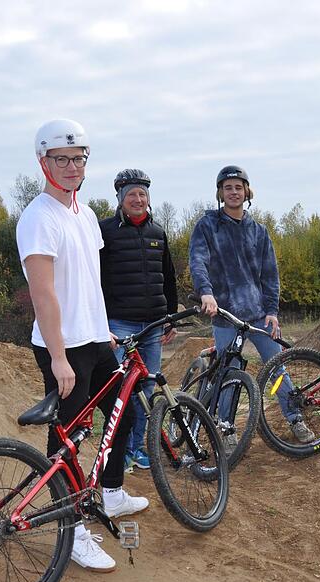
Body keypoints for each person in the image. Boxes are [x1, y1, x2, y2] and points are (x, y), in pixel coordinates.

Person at [16, 119, 149, 573]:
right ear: (43, 162)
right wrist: (57, 357)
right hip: (63, 347)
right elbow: (44, 293)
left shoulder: (86, 214)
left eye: (79, 158)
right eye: (62, 159)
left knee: (125, 411)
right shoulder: (38, 218)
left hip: (95, 338)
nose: (72, 167)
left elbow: (88, 282)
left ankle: (110, 493)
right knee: (69, 438)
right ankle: (69, 529)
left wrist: (103, 327)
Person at [189, 165, 314, 453]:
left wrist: (272, 310)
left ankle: (294, 418)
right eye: (228, 187)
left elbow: (270, 275)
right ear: (220, 193)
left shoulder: (258, 231)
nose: (233, 192)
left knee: (278, 368)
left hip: (258, 314)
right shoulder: (207, 226)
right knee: (229, 372)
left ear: (247, 192)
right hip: (225, 314)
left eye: (238, 187)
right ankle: (226, 426)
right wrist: (206, 293)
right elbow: (198, 261)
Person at [99, 169, 178, 471]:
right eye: (131, 194)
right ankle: (115, 454)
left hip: (153, 326)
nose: (138, 199)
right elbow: (94, 279)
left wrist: (169, 317)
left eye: (142, 194)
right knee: (119, 392)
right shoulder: (105, 231)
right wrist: (100, 323)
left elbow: (168, 278)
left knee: (146, 391)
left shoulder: (158, 233)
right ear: (120, 198)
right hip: (119, 325)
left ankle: (135, 450)